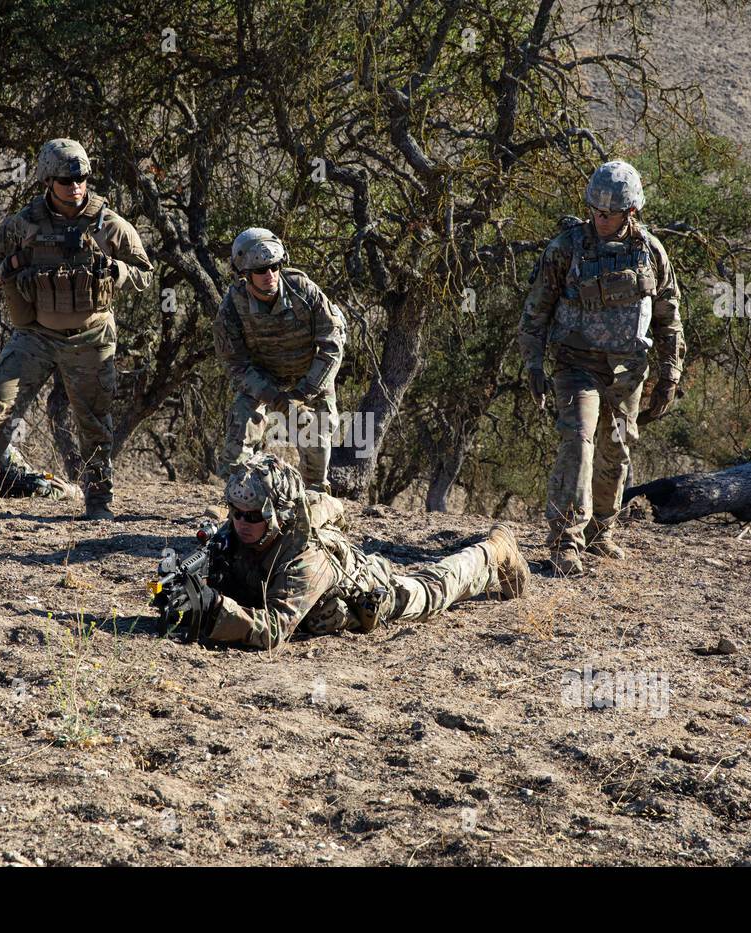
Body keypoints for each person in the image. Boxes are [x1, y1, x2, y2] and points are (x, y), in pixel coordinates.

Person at [0, 137, 153, 521]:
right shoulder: (23, 224)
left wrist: (120, 270)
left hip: (91, 334)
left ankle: (98, 502)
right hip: (36, 335)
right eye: (65, 180)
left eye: (81, 178)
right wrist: (12, 264)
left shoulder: (109, 225)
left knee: (94, 422)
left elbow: (146, 272)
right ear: (48, 181)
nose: (75, 186)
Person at [165, 453, 530, 650]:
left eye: (252, 516)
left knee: (435, 588)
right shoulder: (240, 529)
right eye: (235, 512)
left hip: (372, 593)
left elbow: (273, 631)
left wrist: (215, 609)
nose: (241, 522)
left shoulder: (305, 559)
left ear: (277, 516)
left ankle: (494, 551)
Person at [517, 160, 685, 575]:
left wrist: (670, 376)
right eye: (595, 211)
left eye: (609, 213)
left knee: (616, 447)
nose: (600, 219)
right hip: (576, 364)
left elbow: (669, 316)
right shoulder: (566, 248)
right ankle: (564, 541)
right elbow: (535, 312)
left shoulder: (651, 252)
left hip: (628, 370)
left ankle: (600, 532)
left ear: (631, 212)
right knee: (578, 439)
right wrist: (534, 365)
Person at [213, 228, 345, 492]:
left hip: (310, 376)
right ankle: (239, 498)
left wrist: (303, 393)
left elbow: (332, 346)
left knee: (316, 436)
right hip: (264, 378)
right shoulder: (232, 306)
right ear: (245, 274)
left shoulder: (304, 291)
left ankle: (316, 497)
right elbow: (235, 363)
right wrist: (272, 397)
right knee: (241, 425)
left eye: (274, 266)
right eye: (261, 270)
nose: (269, 275)